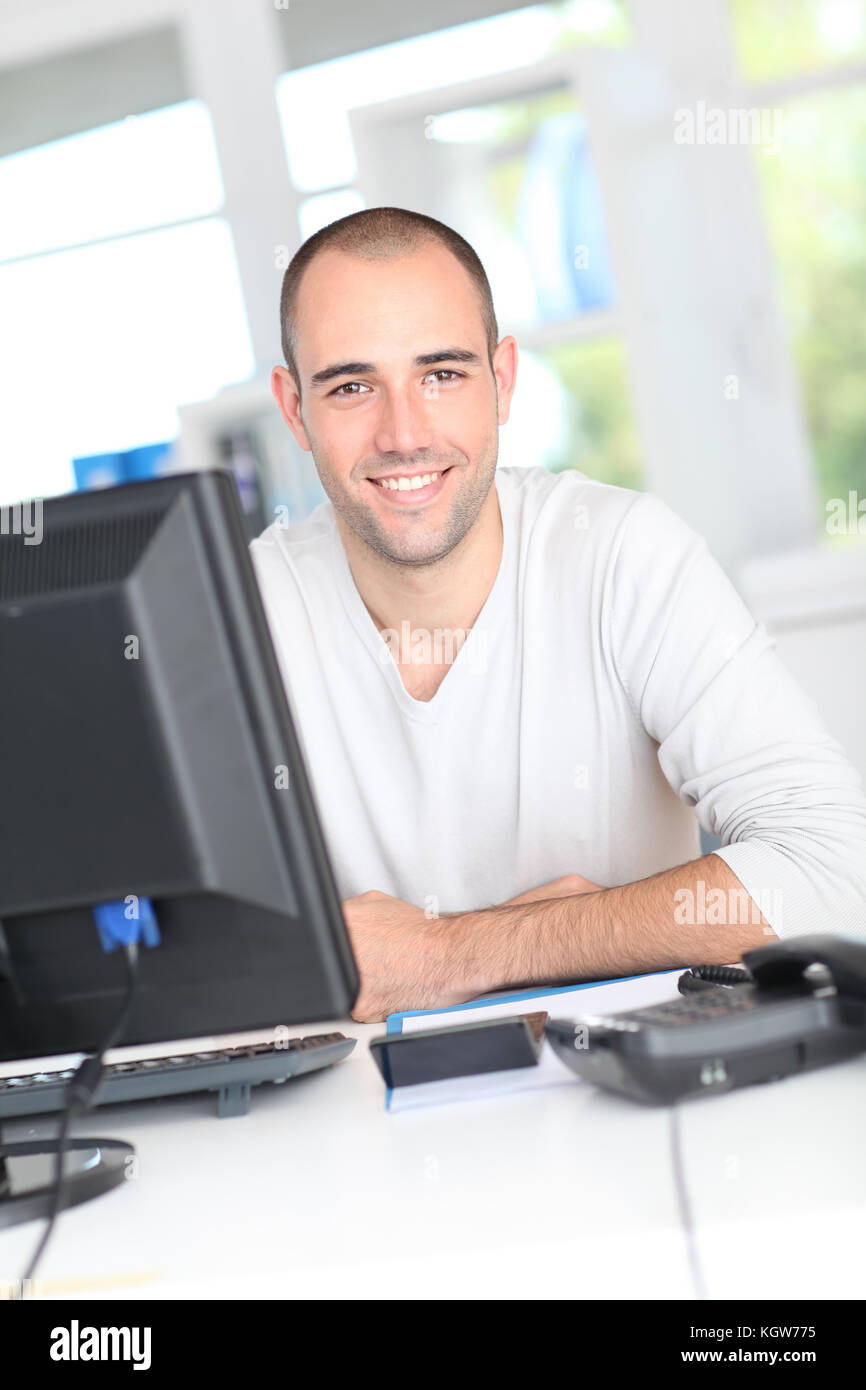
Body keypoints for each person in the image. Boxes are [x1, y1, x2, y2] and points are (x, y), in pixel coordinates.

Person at [251, 206, 866, 1022]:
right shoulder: (241, 611)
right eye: (353, 386)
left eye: (442, 374)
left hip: (627, 1106)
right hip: (347, 1126)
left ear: (503, 380)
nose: (403, 433)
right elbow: (142, 952)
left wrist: (452, 953)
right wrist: (566, 933)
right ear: (294, 409)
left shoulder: (621, 555)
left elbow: (837, 871)